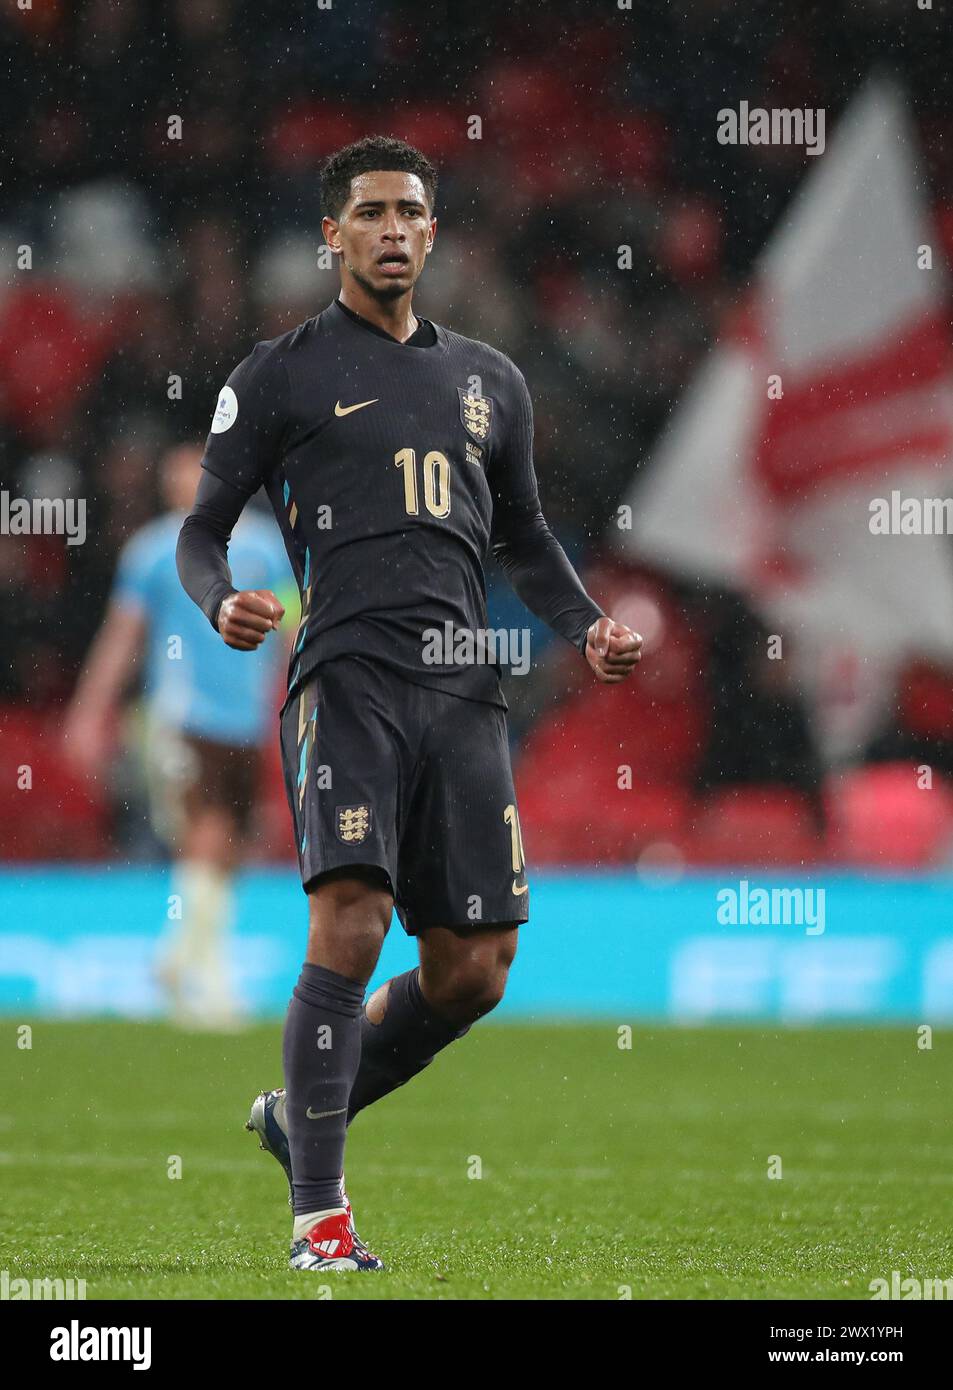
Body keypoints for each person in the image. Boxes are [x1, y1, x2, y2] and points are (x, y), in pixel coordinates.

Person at [176, 136, 642, 1271]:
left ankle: (297, 1119)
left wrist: (585, 625)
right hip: (346, 679)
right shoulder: (275, 373)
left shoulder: (490, 381)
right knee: (349, 919)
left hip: (464, 689)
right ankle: (319, 1218)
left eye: (411, 212)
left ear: (432, 234)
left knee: (472, 969)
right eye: (370, 212)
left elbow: (524, 535)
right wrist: (222, 601)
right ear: (330, 234)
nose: (393, 229)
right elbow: (200, 530)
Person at [63, 442, 291, 1028]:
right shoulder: (154, 549)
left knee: (232, 840)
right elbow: (124, 636)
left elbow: (293, 624)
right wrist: (92, 709)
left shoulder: (267, 543)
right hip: (180, 716)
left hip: (246, 718)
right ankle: (209, 979)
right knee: (207, 829)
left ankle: (174, 956)